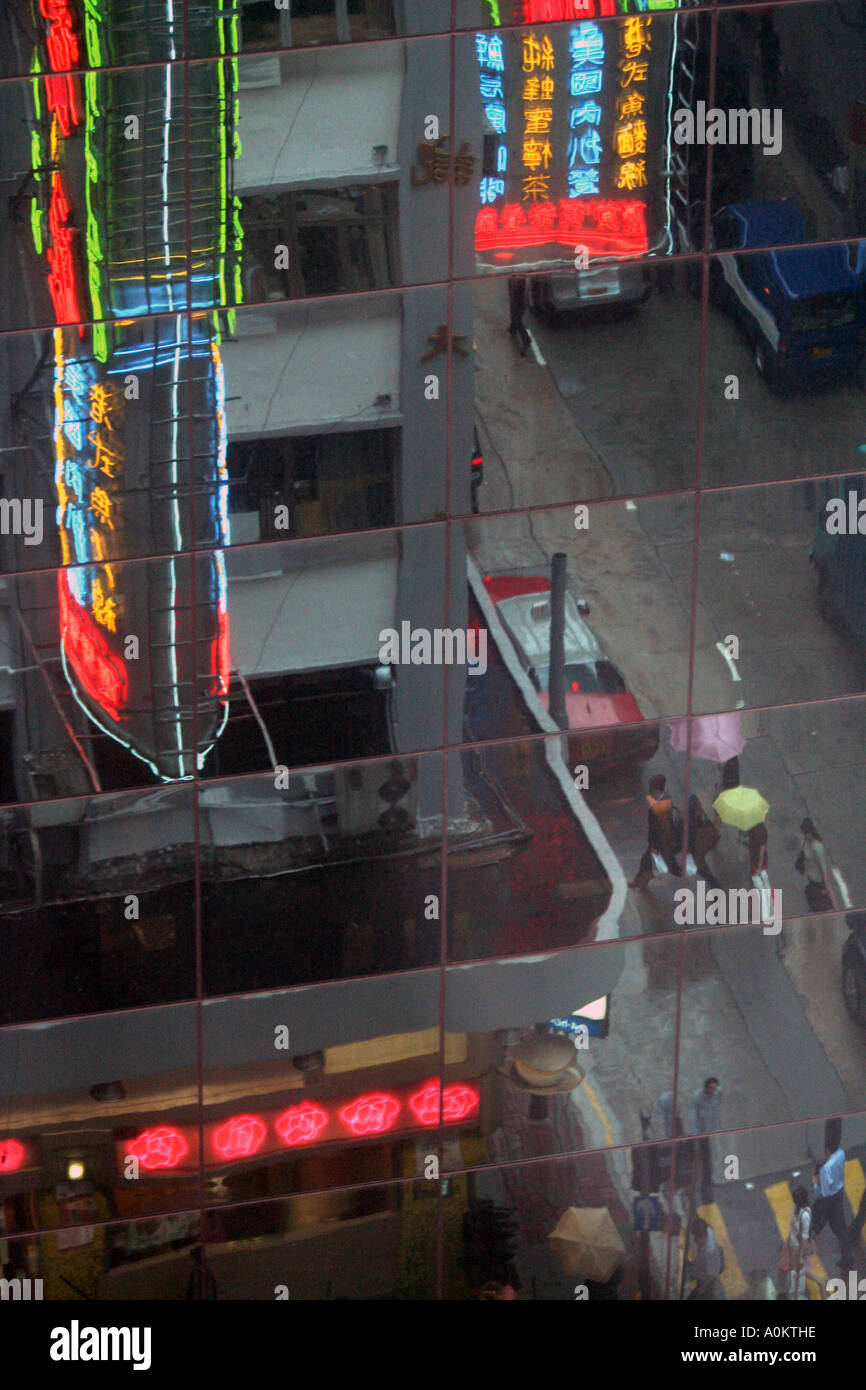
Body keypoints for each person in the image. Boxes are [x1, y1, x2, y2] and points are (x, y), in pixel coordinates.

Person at [629, 774, 682, 889]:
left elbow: (657, 828)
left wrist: (654, 846)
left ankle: (640, 882)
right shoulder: (665, 798)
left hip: (660, 842)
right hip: (662, 841)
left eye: (651, 788)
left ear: (655, 789)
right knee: (649, 861)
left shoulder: (659, 806)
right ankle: (640, 882)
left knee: (650, 861)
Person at [812, 1141, 855, 1270]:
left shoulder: (824, 1169)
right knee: (841, 1231)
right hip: (838, 1198)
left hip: (825, 1205)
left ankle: (800, 1259)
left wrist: (814, 1183)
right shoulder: (841, 1155)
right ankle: (848, 1259)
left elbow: (822, 1193)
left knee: (812, 1231)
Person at [778, 1188, 814, 1300]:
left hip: (797, 1248)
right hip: (790, 1244)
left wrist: (800, 1257)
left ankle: (797, 1295)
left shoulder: (805, 1215)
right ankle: (786, 1291)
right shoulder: (796, 1208)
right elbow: (793, 1229)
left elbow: (804, 1238)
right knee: (782, 1267)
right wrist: (787, 1242)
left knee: (796, 1273)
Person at [691, 1077, 722, 1205]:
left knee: (708, 1156)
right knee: (705, 1157)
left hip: (710, 1130)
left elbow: (716, 1106)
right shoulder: (698, 1097)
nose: (713, 1090)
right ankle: (705, 1181)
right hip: (701, 1132)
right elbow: (695, 1116)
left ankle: (707, 1179)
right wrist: (698, 1134)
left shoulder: (718, 1092)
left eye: (715, 1088)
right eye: (711, 1088)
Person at [796, 819, 837, 913]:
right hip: (812, 882)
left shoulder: (817, 848)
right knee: (814, 908)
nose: (803, 835)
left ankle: (836, 913)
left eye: (804, 833)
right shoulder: (806, 842)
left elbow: (823, 871)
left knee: (820, 909)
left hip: (818, 885)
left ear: (809, 832)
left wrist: (827, 889)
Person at [686, 794, 721, 889]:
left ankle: (716, 887)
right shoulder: (695, 828)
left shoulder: (690, 820)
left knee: (706, 874)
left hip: (697, 853)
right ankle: (716, 888)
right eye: (699, 806)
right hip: (699, 853)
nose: (701, 808)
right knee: (707, 874)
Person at [685, 1217, 725, 1300]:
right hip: (702, 1284)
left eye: (696, 1238)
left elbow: (712, 1275)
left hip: (706, 1287)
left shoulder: (710, 1251)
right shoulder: (703, 1245)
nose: (695, 1241)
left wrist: (703, 1288)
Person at [507, 275, 531, 355]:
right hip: (516, 288)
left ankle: (526, 341)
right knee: (515, 314)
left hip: (519, 294)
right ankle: (513, 326)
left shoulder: (521, 280)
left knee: (517, 319)